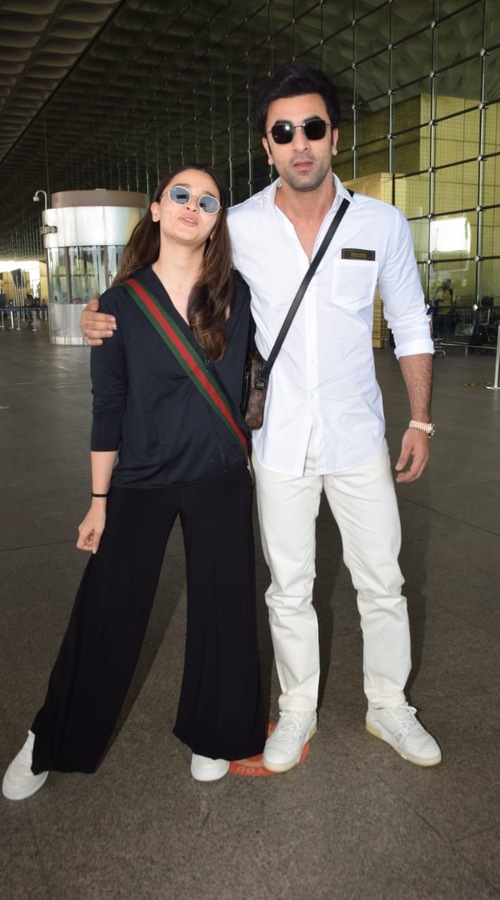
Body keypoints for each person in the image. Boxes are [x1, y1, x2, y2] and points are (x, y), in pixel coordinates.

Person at [80, 63, 442, 774]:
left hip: (359, 433)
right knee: (289, 586)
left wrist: (421, 420)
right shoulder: (237, 226)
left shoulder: (380, 223)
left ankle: (389, 706)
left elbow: (410, 323)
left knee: (382, 579)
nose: (299, 142)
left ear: (334, 137)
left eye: (312, 127)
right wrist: (107, 312)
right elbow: (172, 269)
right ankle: (297, 708)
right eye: (284, 131)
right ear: (268, 145)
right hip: (275, 442)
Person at [2, 164, 265, 801]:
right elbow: (107, 407)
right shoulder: (118, 306)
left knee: (224, 608)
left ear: (215, 221)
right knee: (106, 610)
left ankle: (216, 731)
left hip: (220, 474)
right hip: (142, 480)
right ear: (155, 210)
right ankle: (53, 735)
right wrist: (98, 501)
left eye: (208, 200)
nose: (192, 205)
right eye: (181, 194)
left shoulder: (236, 295)